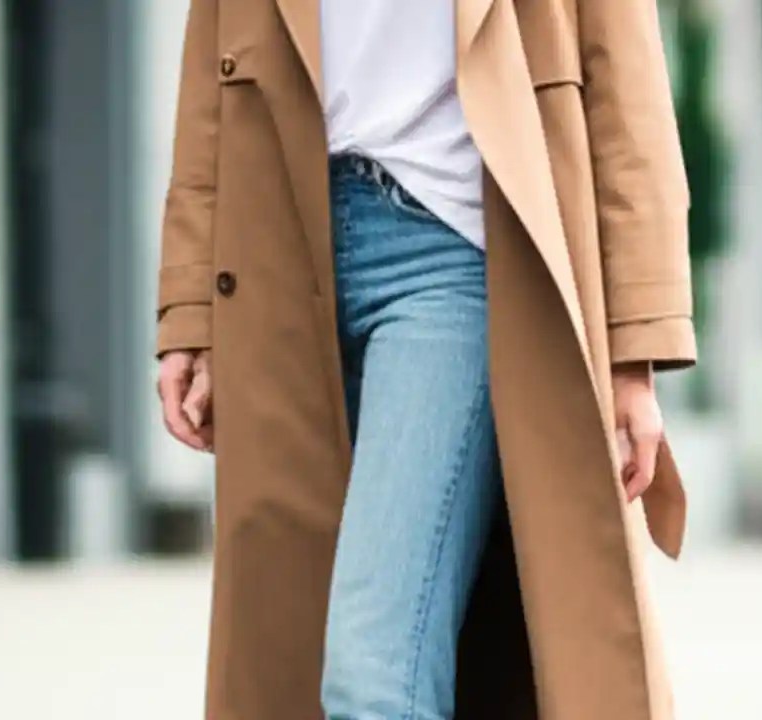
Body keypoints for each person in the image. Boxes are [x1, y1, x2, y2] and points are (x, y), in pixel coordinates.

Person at [155, 1, 697, 718]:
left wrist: (637, 348)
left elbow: (628, 88)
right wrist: (190, 308)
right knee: (292, 662)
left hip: (452, 251)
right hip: (280, 259)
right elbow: (209, 81)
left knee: (371, 677)